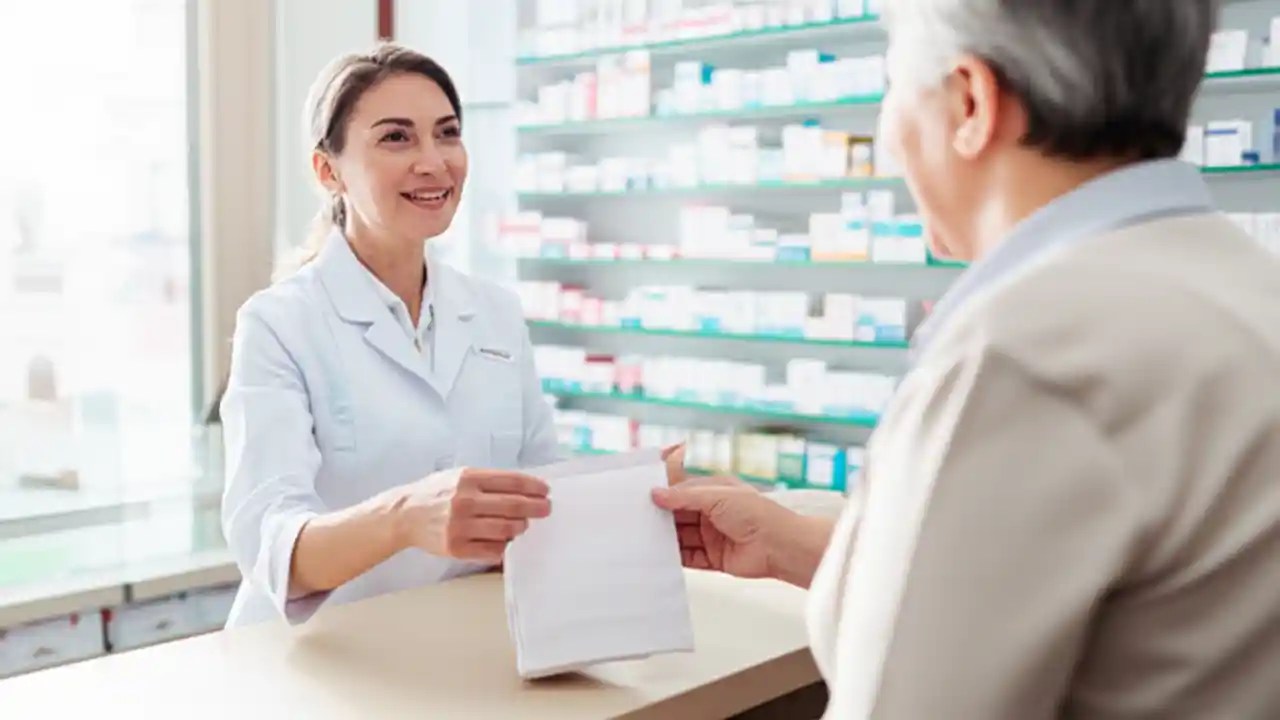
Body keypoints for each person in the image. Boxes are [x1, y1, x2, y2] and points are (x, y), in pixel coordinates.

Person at [655, 1, 1280, 717]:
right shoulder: (1248, 284)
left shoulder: (1028, 352)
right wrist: (805, 546)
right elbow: (1133, 614)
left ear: (972, 104)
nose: (889, 139)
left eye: (892, 89)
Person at [220, 45, 621, 628]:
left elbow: (538, 490)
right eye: (396, 138)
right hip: (317, 660)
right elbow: (273, 549)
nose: (433, 162)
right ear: (328, 171)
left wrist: (631, 497)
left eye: (447, 133)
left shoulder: (496, 313)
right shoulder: (278, 324)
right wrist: (405, 516)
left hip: (452, 642)